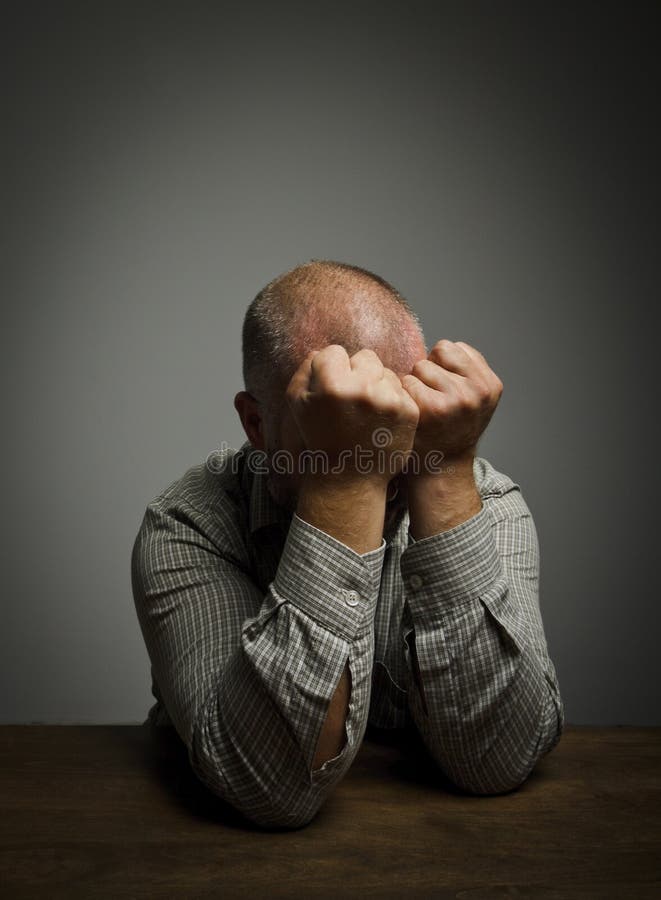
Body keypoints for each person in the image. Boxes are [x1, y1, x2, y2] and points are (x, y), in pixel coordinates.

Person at [131, 260, 563, 829]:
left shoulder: (484, 499)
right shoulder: (190, 522)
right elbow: (268, 788)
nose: (381, 445)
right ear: (257, 425)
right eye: (330, 420)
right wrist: (345, 483)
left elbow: (496, 761)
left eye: (399, 415)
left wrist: (445, 473)